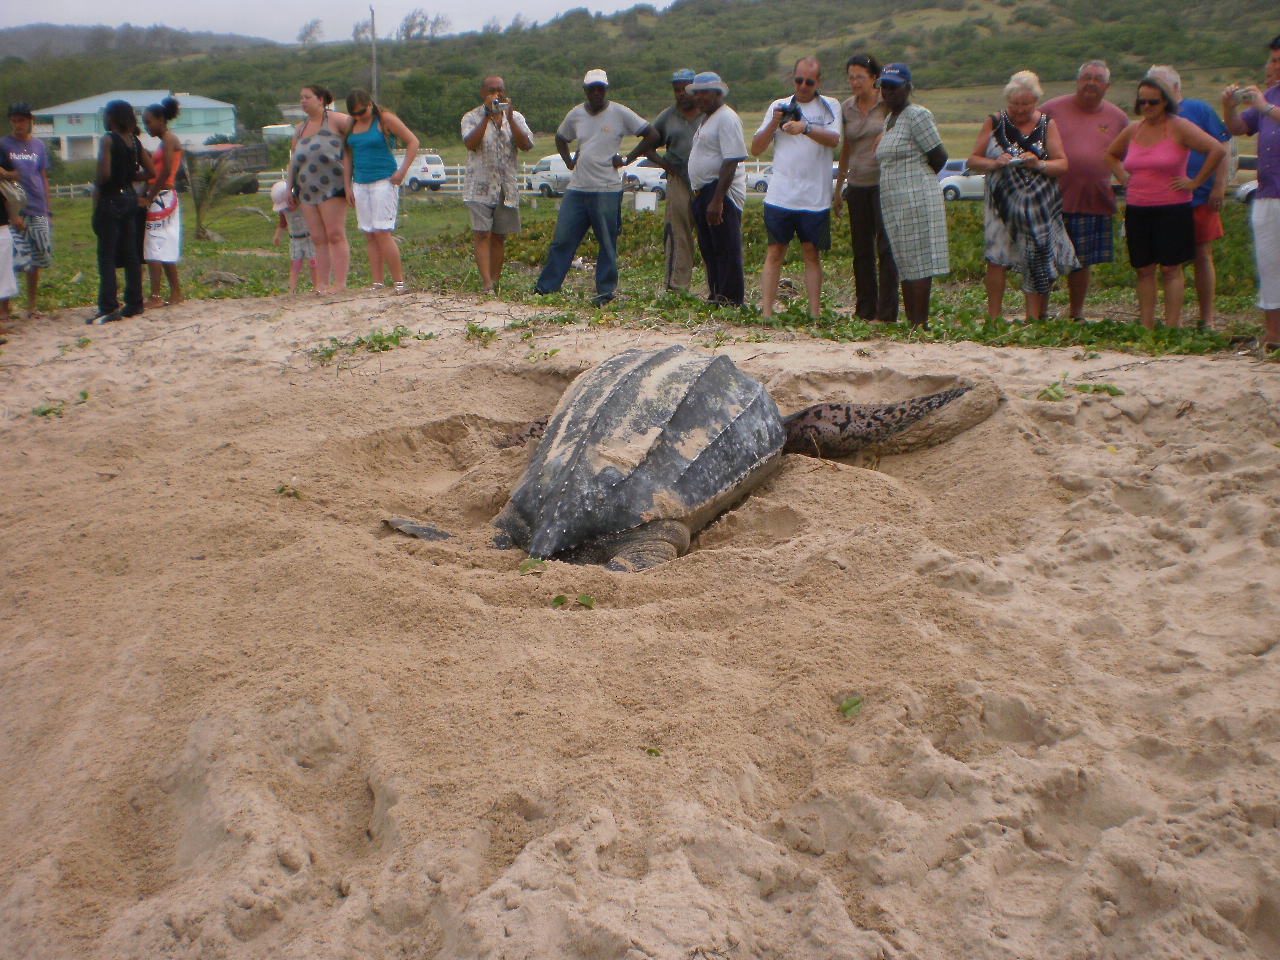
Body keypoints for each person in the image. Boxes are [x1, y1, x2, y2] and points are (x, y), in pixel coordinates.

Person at [1105, 74, 1227, 328]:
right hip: (1138, 207)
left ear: (1166, 102)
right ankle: (1147, 324)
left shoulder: (1179, 126)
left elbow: (1217, 149)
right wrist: (1123, 176)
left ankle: (1172, 326)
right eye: (1143, 103)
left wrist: (1195, 181)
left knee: (1171, 268)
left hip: (1173, 207)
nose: (1147, 107)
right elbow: (1112, 155)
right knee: (1144, 268)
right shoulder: (1134, 129)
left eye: (1154, 102)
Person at [534, 70, 651, 306]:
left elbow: (650, 134)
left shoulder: (619, 112)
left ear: (606, 89)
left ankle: (605, 293)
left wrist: (628, 158)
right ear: (586, 90)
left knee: (607, 243)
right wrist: (568, 161)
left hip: (607, 188)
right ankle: (546, 289)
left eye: (601, 88)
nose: (597, 93)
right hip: (577, 188)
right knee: (562, 240)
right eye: (592, 89)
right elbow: (561, 137)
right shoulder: (576, 114)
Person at [966, 70, 1075, 323]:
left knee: (1036, 255)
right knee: (996, 257)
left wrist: (1038, 164)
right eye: (1014, 105)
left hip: (1038, 205)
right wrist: (995, 162)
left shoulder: (1047, 124)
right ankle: (993, 318)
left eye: (1025, 104)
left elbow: (1062, 164)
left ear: (1035, 102)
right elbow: (974, 159)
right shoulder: (995, 121)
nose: (1020, 110)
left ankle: (1033, 318)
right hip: (1000, 205)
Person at [750, 57, 841, 318]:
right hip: (781, 195)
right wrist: (773, 123)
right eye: (799, 80)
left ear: (818, 82)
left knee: (812, 254)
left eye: (809, 81)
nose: (803, 86)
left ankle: (814, 314)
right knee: (775, 251)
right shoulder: (778, 106)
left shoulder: (829, 106)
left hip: (815, 197)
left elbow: (834, 139)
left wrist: (805, 128)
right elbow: (756, 149)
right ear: (793, 79)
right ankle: (766, 312)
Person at [1041, 61, 1130, 322]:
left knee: (1082, 261)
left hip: (1092, 198)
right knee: (1045, 258)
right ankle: (1039, 313)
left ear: (1107, 86)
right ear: (1077, 81)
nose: (1091, 83)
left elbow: (1124, 158)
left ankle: (1076, 314)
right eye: (1086, 77)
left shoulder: (1118, 118)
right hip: (1051, 198)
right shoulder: (1050, 109)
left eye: (1098, 79)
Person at [1148, 65, 1232, 329]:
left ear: (1174, 87)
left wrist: (1219, 185)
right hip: (1164, 198)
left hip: (1200, 196)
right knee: (1169, 260)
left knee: (1202, 254)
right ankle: (1173, 317)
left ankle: (1206, 317)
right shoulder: (1153, 115)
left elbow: (1223, 145)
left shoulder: (1199, 110)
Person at [874, 63, 949, 328]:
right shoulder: (890, 119)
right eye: (884, 86)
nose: (888, 91)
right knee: (905, 260)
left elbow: (939, 156)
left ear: (908, 87)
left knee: (918, 261)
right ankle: (913, 321)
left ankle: (920, 323)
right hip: (896, 201)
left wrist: (916, 182)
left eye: (893, 86)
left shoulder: (917, 115)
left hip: (916, 197)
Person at [1223, 36, 1280, 353]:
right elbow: (1237, 128)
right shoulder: (1269, 95)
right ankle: (1274, 335)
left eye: (1277, 60)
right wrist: (1229, 106)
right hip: (1270, 191)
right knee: (1270, 263)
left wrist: (1266, 107)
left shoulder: (1268, 102)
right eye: (1272, 60)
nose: (1272, 66)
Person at [833, 55, 897, 323]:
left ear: (874, 78)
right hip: (857, 184)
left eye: (860, 76)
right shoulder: (846, 108)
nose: (854, 82)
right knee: (861, 251)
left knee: (886, 248)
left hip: (883, 183)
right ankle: (864, 309)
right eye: (851, 77)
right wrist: (839, 186)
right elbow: (846, 147)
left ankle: (887, 312)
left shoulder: (887, 104)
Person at [461, 75, 533, 293]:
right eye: (491, 91)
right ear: (483, 94)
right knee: (482, 233)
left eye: (500, 90)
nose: (496, 94)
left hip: (506, 186)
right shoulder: (471, 117)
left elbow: (526, 144)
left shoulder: (516, 117)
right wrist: (487, 116)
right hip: (480, 185)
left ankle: (496, 280)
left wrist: (509, 118)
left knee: (500, 235)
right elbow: (471, 144)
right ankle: (486, 283)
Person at [343, 88, 418, 293]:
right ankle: (377, 282)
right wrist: (347, 185)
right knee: (369, 234)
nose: (359, 116)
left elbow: (413, 141)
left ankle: (399, 281)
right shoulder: (351, 125)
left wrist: (402, 171)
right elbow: (348, 157)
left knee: (382, 231)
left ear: (370, 105)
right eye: (355, 114)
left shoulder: (385, 119)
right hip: (360, 182)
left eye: (362, 112)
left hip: (383, 181)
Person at [635, 69, 702, 293]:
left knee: (711, 234)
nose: (681, 94)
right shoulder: (668, 116)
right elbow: (649, 144)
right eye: (677, 90)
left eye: (686, 89)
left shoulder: (709, 113)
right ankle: (677, 286)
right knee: (678, 233)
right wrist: (665, 164)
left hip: (707, 180)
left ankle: (717, 286)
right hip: (679, 179)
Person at [89, 100, 154, 324]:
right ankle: (135, 302)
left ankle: (108, 307)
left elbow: (104, 175)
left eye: (106, 115)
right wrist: (130, 176)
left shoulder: (108, 140)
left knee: (106, 255)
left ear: (113, 117)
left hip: (110, 199)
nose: (105, 119)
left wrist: (96, 186)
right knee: (130, 253)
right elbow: (151, 170)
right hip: (129, 197)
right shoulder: (134, 141)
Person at [686, 71, 748, 305]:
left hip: (719, 191)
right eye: (696, 93)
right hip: (703, 190)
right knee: (710, 248)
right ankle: (717, 293)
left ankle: (731, 298)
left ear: (717, 93)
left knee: (726, 247)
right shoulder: (708, 119)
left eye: (703, 93)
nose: (698, 97)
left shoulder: (726, 118)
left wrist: (717, 199)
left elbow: (731, 160)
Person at [287, 85, 351, 294]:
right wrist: (290, 188)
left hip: (333, 185)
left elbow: (358, 137)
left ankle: (339, 283)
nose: (303, 101)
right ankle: (322, 284)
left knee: (335, 234)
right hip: (306, 189)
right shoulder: (299, 129)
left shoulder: (336, 120)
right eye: (301, 97)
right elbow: (293, 161)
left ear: (321, 99)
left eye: (307, 97)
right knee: (318, 238)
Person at [1, 102, 52, 321]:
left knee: (37, 258)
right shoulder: (4, 144)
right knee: (10, 259)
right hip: (15, 206)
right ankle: (6, 307)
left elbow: (42, 176)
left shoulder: (39, 146)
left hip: (37, 206)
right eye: (14, 120)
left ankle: (32, 306)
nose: (17, 125)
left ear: (31, 121)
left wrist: (48, 209)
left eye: (21, 120)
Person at [141, 97, 183, 308]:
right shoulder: (165, 140)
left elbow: (166, 170)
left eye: (148, 122)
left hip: (162, 197)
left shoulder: (168, 140)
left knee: (153, 247)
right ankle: (176, 292)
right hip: (164, 196)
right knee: (164, 247)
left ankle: (156, 296)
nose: (146, 127)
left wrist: (150, 196)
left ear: (160, 119)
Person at [271, 180, 318, 294]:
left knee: (314, 263)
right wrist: (278, 236)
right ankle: (292, 289)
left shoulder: (304, 205)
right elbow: (283, 224)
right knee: (295, 264)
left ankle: (317, 287)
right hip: (295, 240)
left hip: (309, 238)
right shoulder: (284, 212)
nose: (287, 209)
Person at [0, 150, 20, 338]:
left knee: (3, 272)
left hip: (2, 226)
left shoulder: (2, 152)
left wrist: (4, 173)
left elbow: (15, 180)